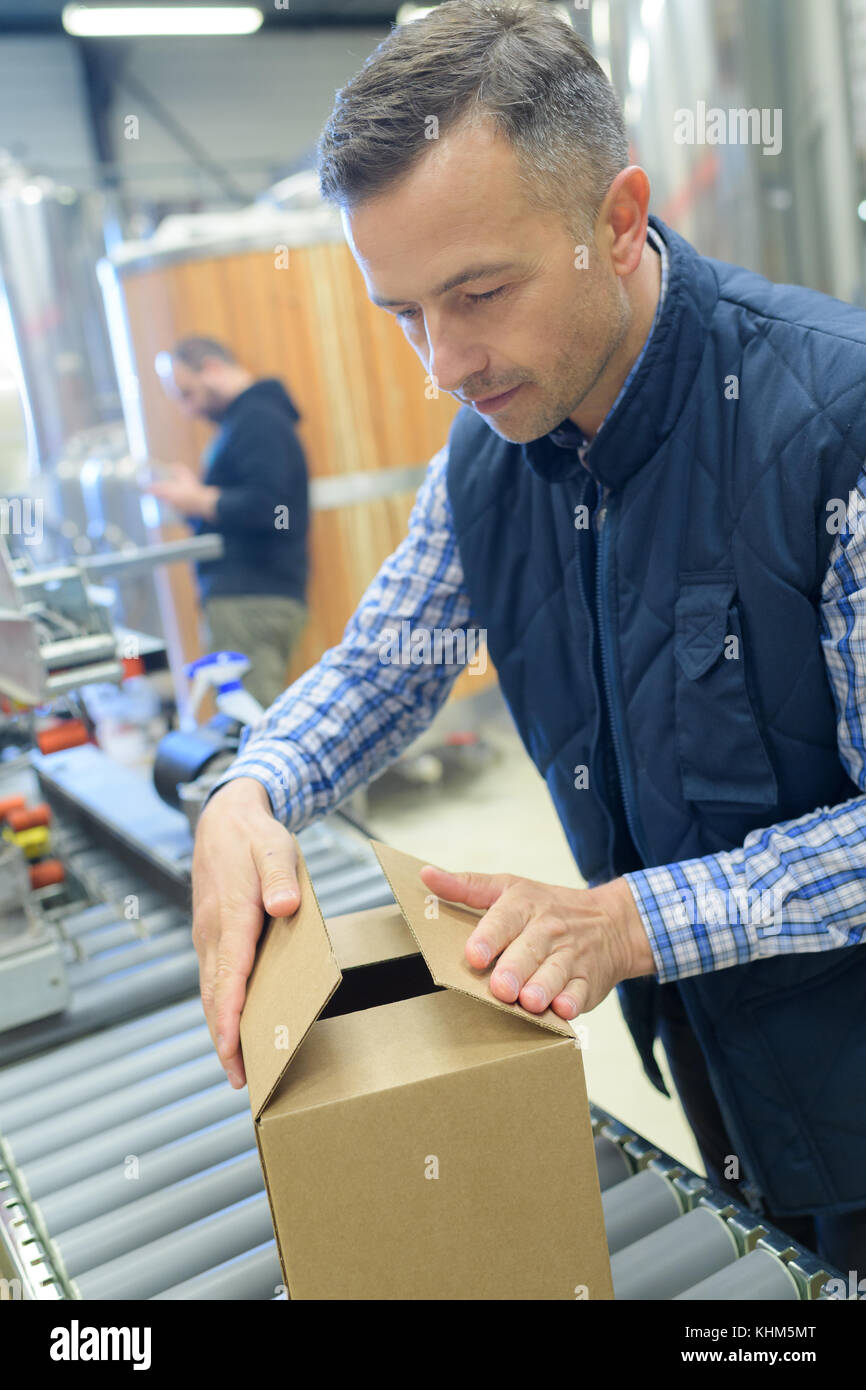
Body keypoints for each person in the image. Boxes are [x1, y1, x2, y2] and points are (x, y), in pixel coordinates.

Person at [190, 0, 866, 1273]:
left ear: (612, 222)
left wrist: (631, 923)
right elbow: (391, 661)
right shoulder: (489, 456)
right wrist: (250, 788)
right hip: (727, 1089)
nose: (441, 362)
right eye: (402, 314)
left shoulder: (832, 424)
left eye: (478, 293)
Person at [149, 336, 309, 708]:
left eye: (187, 393)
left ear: (213, 370)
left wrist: (200, 499)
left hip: (251, 597)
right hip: (250, 596)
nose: (187, 410)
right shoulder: (249, 421)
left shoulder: (257, 420)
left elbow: (275, 510)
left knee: (252, 723)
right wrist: (199, 502)